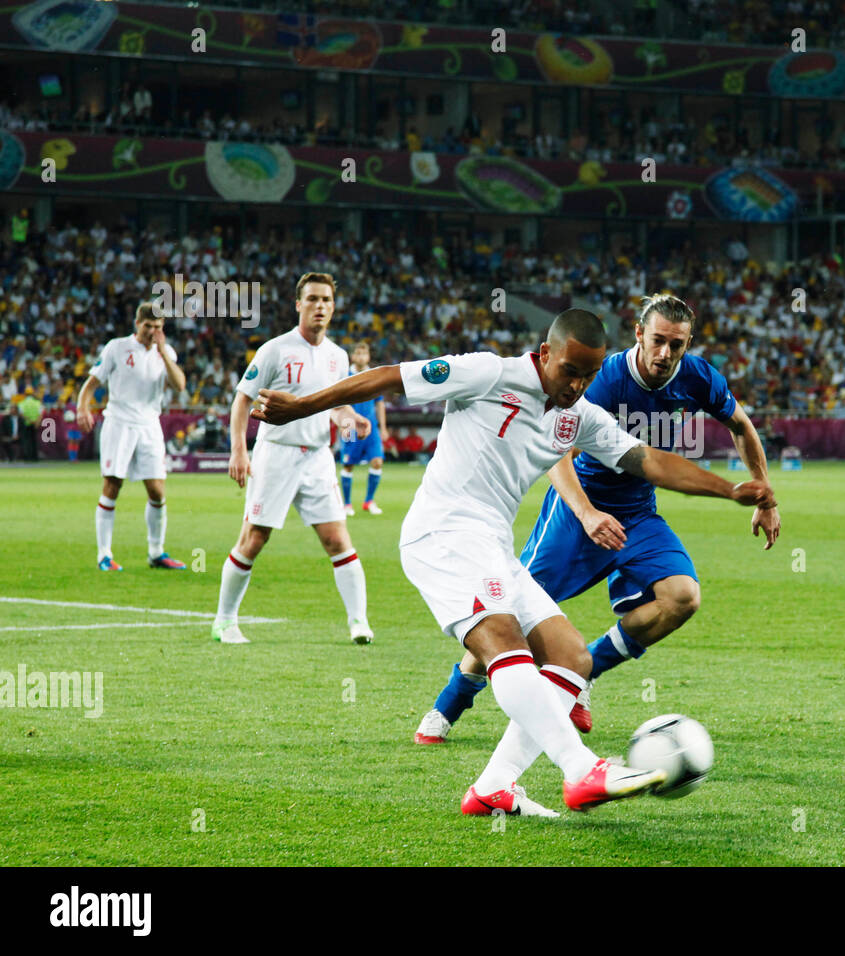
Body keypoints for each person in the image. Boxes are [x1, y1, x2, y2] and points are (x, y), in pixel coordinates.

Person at [251, 308, 776, 815]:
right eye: (569, 371)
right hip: (444, 533)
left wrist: (728, 488)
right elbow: (391, 377)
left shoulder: (578, 417)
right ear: (546, 353)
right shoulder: (487, 372)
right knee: (504, 641)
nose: (575, 385)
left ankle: (493, 787)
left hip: (492, 545)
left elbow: (649, 461)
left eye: (588, 375)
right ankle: (580, 769)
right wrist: (302, 407)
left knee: (572, 658)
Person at [418, 293, 780, 743]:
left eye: (677, 345)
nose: (666, 354)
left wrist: (763, 495)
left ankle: (583, 671)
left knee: (682, 596)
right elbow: (556, 451)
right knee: (505, 614)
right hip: (575, 513)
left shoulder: (698, 378)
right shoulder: (600, 378)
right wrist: (587, 513)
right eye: (658, 341)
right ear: (638, 335)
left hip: (637, 514)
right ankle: (448, 705)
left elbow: (741, 426)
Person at [212, 273, 373, 646]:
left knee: (337, 539)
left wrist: (351, 418)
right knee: (254, 538)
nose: (320, 306)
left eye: (326, 300)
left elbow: (334, 406)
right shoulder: (275, 349)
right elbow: (242, 400)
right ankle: (224, 621)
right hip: (276, 453)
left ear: (333, 307)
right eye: (313, 299)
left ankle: (359, 622)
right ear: (298, 304)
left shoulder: (337, 356)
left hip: (317, 457)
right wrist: (239, 449)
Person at [76, 303, 188, 571]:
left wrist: (162, 351)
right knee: (113, 485)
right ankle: (104, 554)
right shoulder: (117, 347)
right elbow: (92, 382)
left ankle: (156, 553)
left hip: (149, 425)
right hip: (119, 423)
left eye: (158, 327)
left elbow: (180, 385)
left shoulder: (165, 352)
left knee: (157, 490)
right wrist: (82, 407)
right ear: (137, 324)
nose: (152, 331)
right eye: (148, 326)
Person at [338, 341, 388, 516]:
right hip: (349, 425)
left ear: (369, 356)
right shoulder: (345, 375)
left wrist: (383, 427)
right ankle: (347, 504)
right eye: (358, 353)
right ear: (352, 356)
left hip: (371, 426)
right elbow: (339, 402)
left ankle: (369, 501)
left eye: (364, 354)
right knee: (348, 464)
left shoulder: (374, 375)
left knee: (377, 461)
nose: (361, 357)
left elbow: (379, 403)